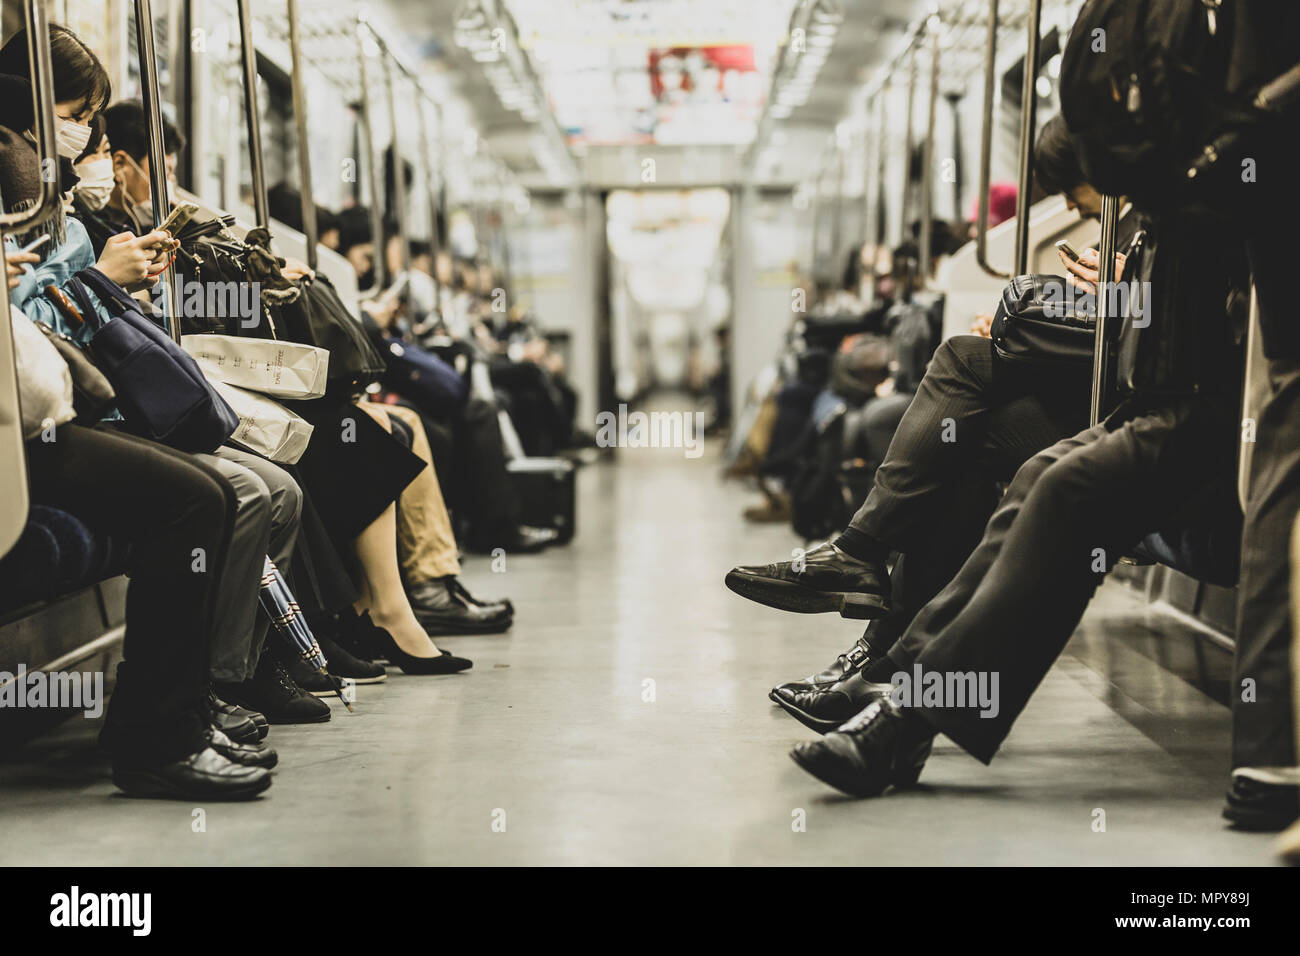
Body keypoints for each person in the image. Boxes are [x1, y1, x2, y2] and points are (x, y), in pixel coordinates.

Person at [724, 114, 1147, 731]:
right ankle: (882, 654)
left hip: (1137, 407)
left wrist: (1118, 293)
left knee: (961, 376)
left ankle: (868, 594)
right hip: (1099, 388)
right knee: (963, 421)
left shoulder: (1177, 215)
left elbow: (1182, 332)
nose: (1070, 202)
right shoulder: (1137, 221)